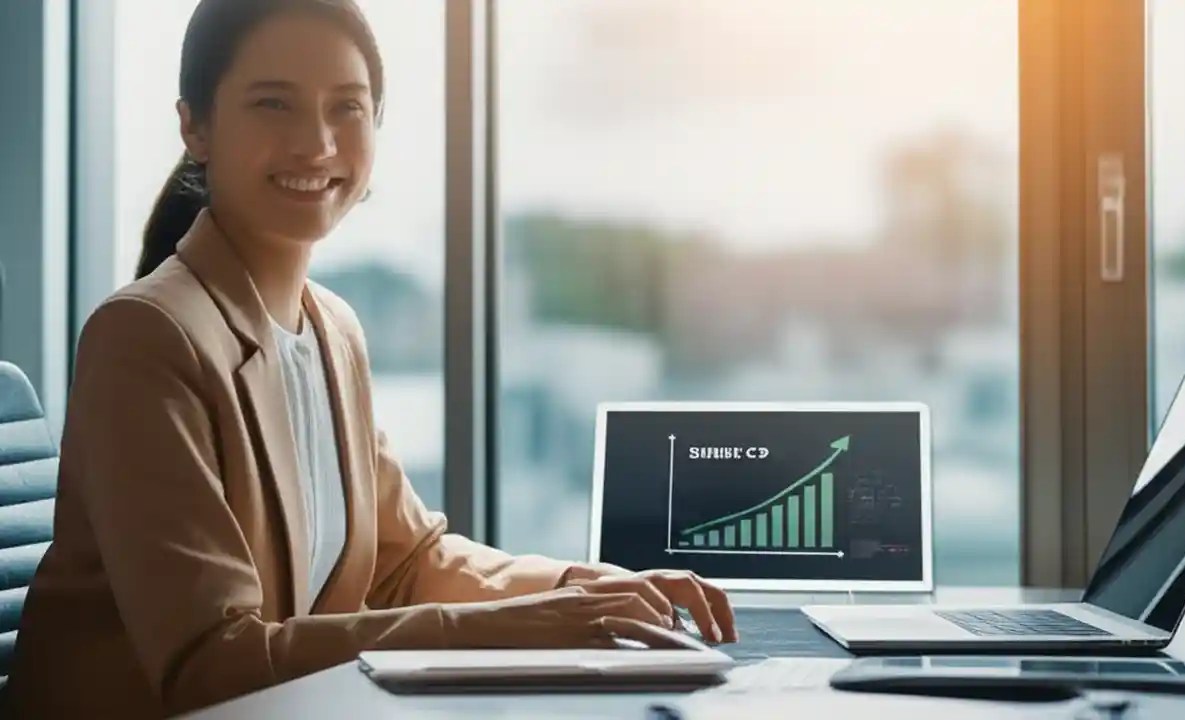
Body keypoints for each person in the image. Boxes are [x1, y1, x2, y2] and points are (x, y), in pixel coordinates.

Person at [4, 1, 736, 716]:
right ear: (194, 126)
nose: (317, 143)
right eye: (273, 105)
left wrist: (585, 586)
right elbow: (210, 662)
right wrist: (508, 630)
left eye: (347, 108)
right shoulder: (146, 336)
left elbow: (407, 560)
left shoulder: (333, 330)